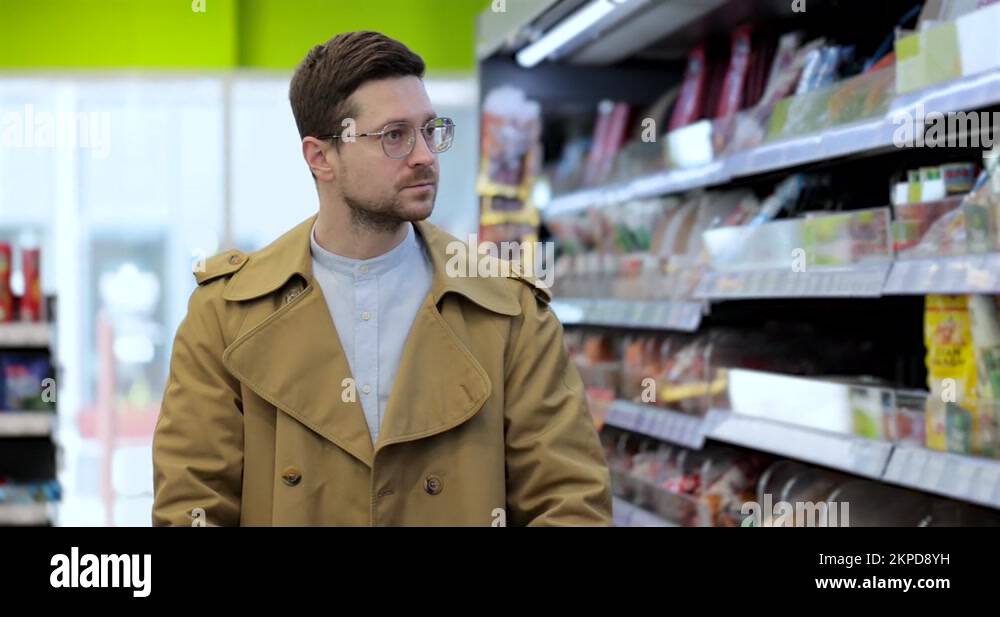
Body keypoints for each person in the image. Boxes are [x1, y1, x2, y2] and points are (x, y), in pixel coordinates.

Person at [152, 31, 611, 526]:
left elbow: (569, 502)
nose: (425, 156)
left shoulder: (509, 309)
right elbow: (192, 506)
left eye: (430, 130)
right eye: (394, 135)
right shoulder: (225, 315)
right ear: (320, 157)